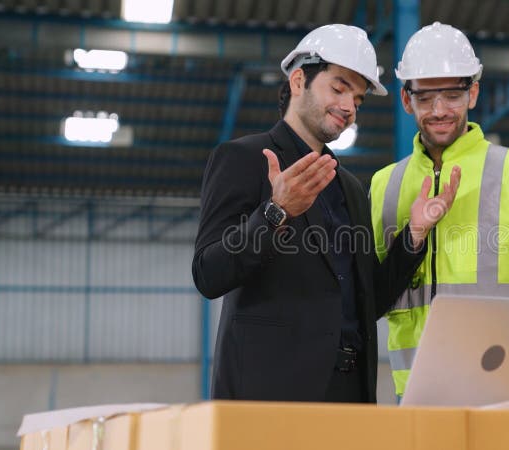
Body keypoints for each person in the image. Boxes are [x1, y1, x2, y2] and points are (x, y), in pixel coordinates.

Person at [192, 24, 458, 403]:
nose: (349, 108)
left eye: (358, 100)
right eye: (338, 88)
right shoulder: (243, 159)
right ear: (298, 80)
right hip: (270, 395)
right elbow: (208, 274)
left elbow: (369, 300)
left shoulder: (349, 187)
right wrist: (275, 212)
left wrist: (414, 234)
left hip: (348, 394)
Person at [369, 22, 509, 401]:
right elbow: (370, 294)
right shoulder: (384, 186)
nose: (439, 110)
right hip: (421, 400)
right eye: (425, 98)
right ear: (406, 99)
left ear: (473, 93)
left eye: (452, 95)